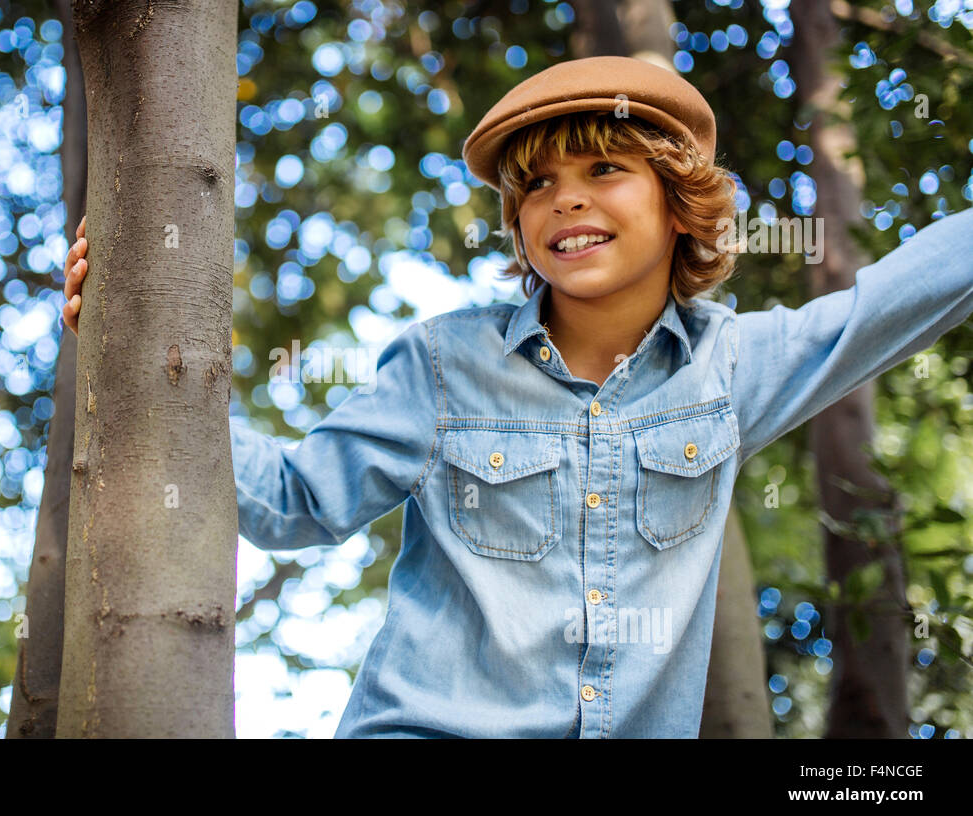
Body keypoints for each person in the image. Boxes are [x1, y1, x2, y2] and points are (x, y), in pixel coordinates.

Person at [60, 55, 973, 737]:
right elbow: (294, 500)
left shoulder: (728, 366)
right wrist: (134, 350)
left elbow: (895, 300)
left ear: (678, 201)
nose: (563, 201)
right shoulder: (443, 364)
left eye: (603, 171)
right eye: (537, 185)